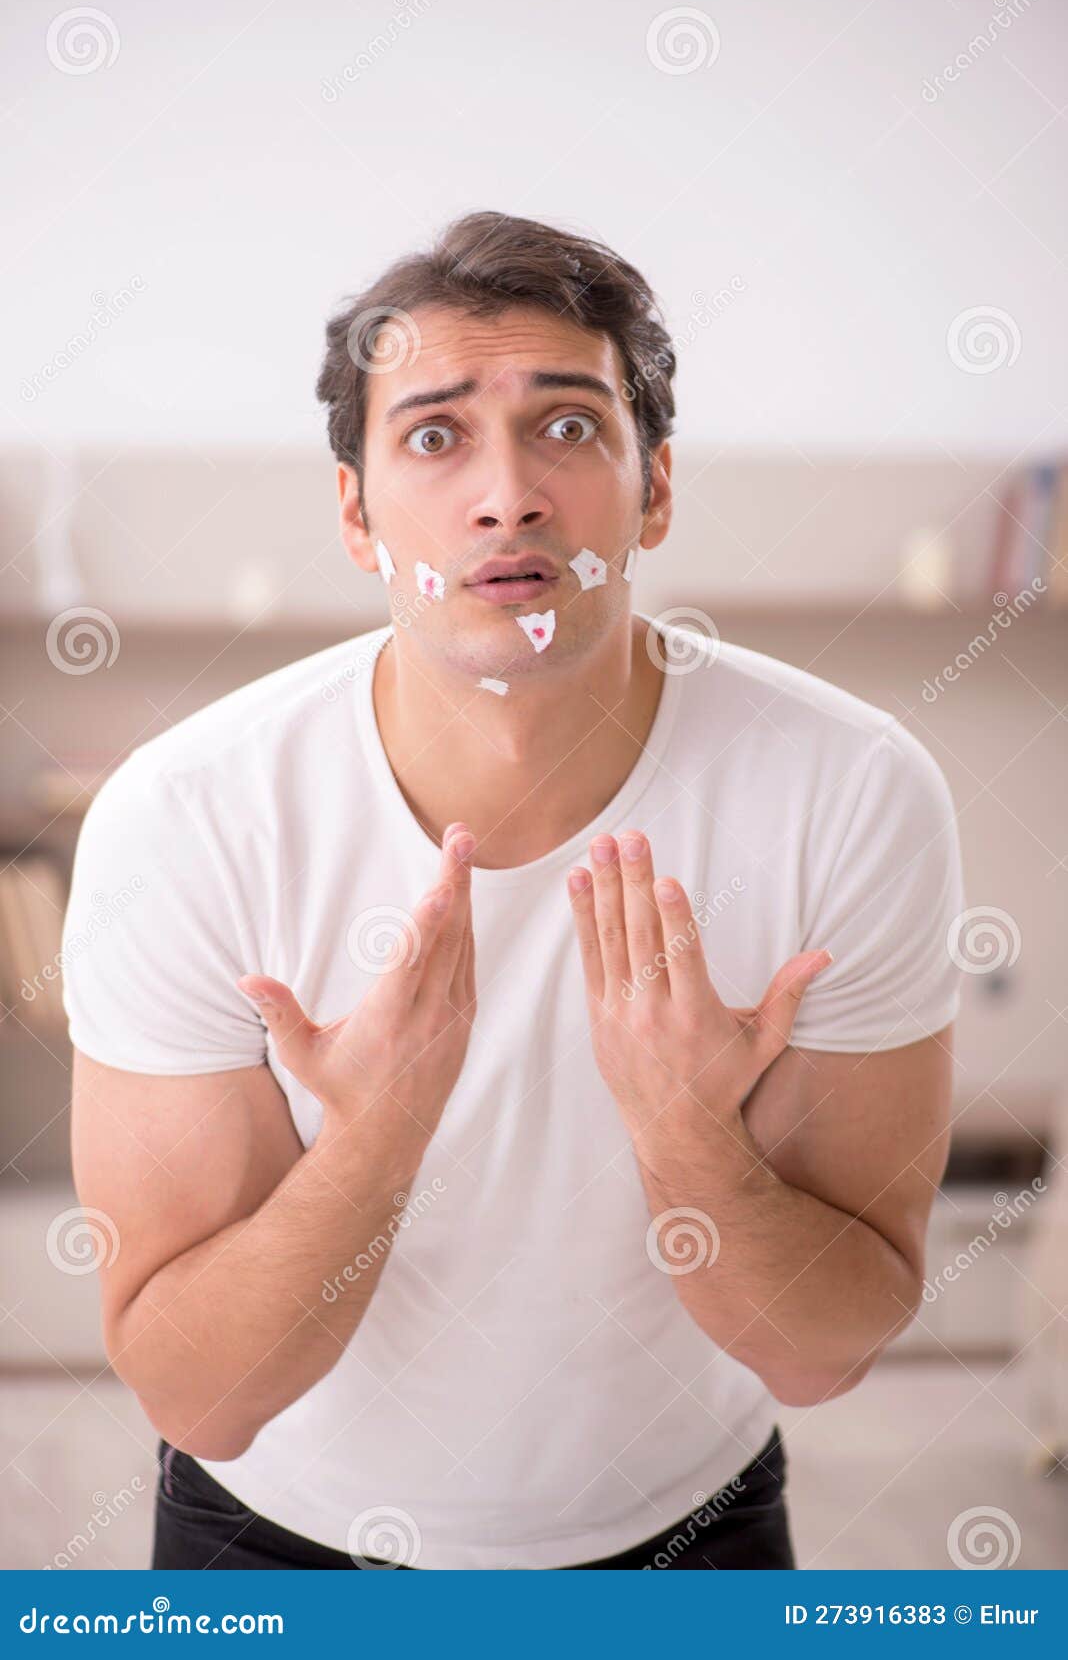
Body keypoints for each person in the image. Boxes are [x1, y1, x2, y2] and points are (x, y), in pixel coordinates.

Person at [63, 210, 963, 1571]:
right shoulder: (184, 816)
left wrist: (682, 1128)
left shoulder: (853, 791)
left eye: (569, 426)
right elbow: (201, 1395)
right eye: (435, 437)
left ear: (654, 489)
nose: (507, 496)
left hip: (689, 1536)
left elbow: (820, 1353)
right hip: (275, 1544)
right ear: (358, 514)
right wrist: (377, 1135)